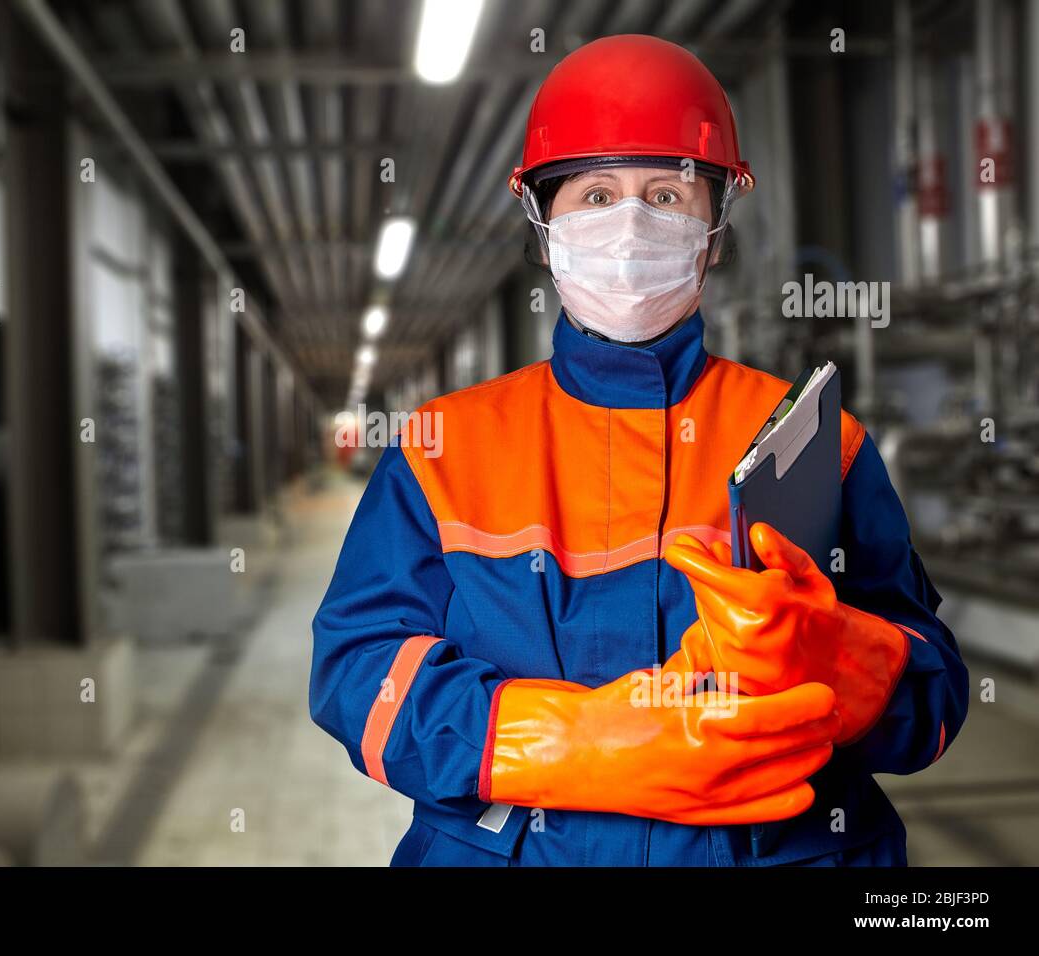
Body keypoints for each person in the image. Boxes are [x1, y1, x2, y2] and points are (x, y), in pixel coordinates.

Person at [310, 34, 969, 866]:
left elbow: (938, 701)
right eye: (594, 194)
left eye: (667, 194)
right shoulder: (445, 448)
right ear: (544, 224)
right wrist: (566, 743)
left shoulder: (819, 444)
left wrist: (838, 657)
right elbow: (355, 674)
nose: (629, 227)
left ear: (715, 231)